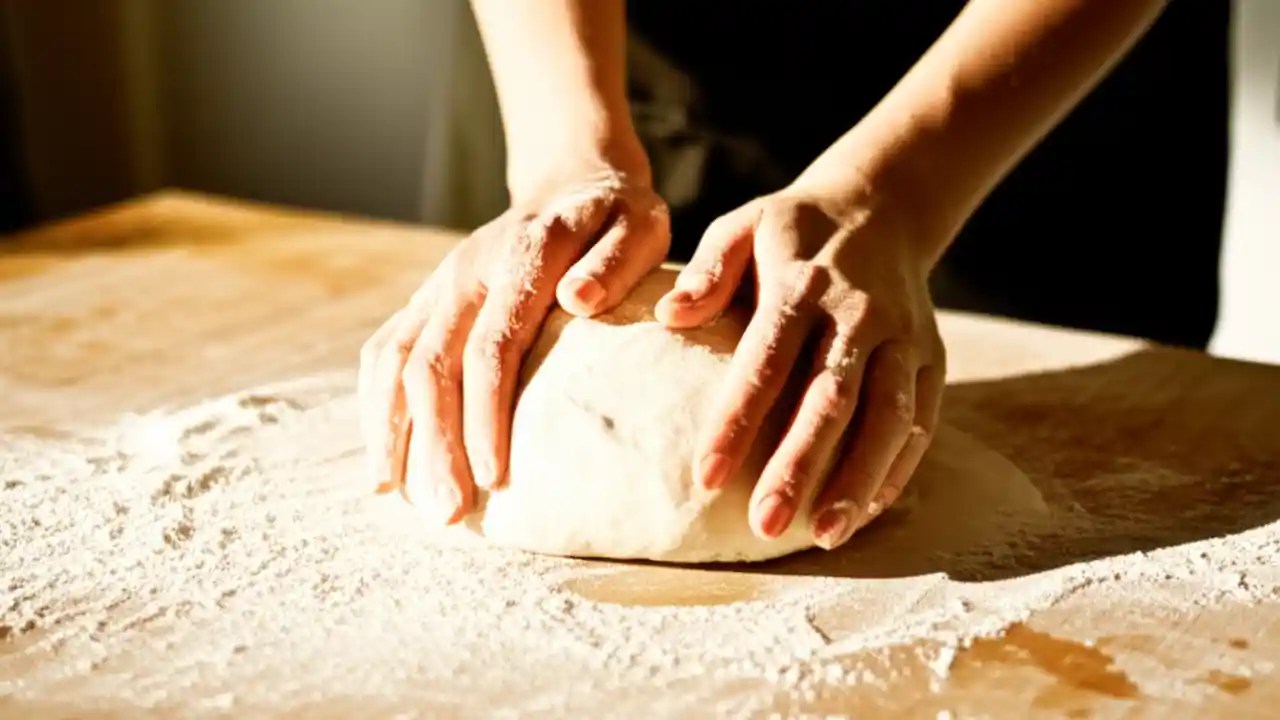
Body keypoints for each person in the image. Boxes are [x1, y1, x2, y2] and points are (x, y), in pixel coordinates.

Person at [359, 0, 1210, 551]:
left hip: (1025, 88)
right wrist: (559, 152)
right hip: (589, 50)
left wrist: (902, 193)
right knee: (523, 328)